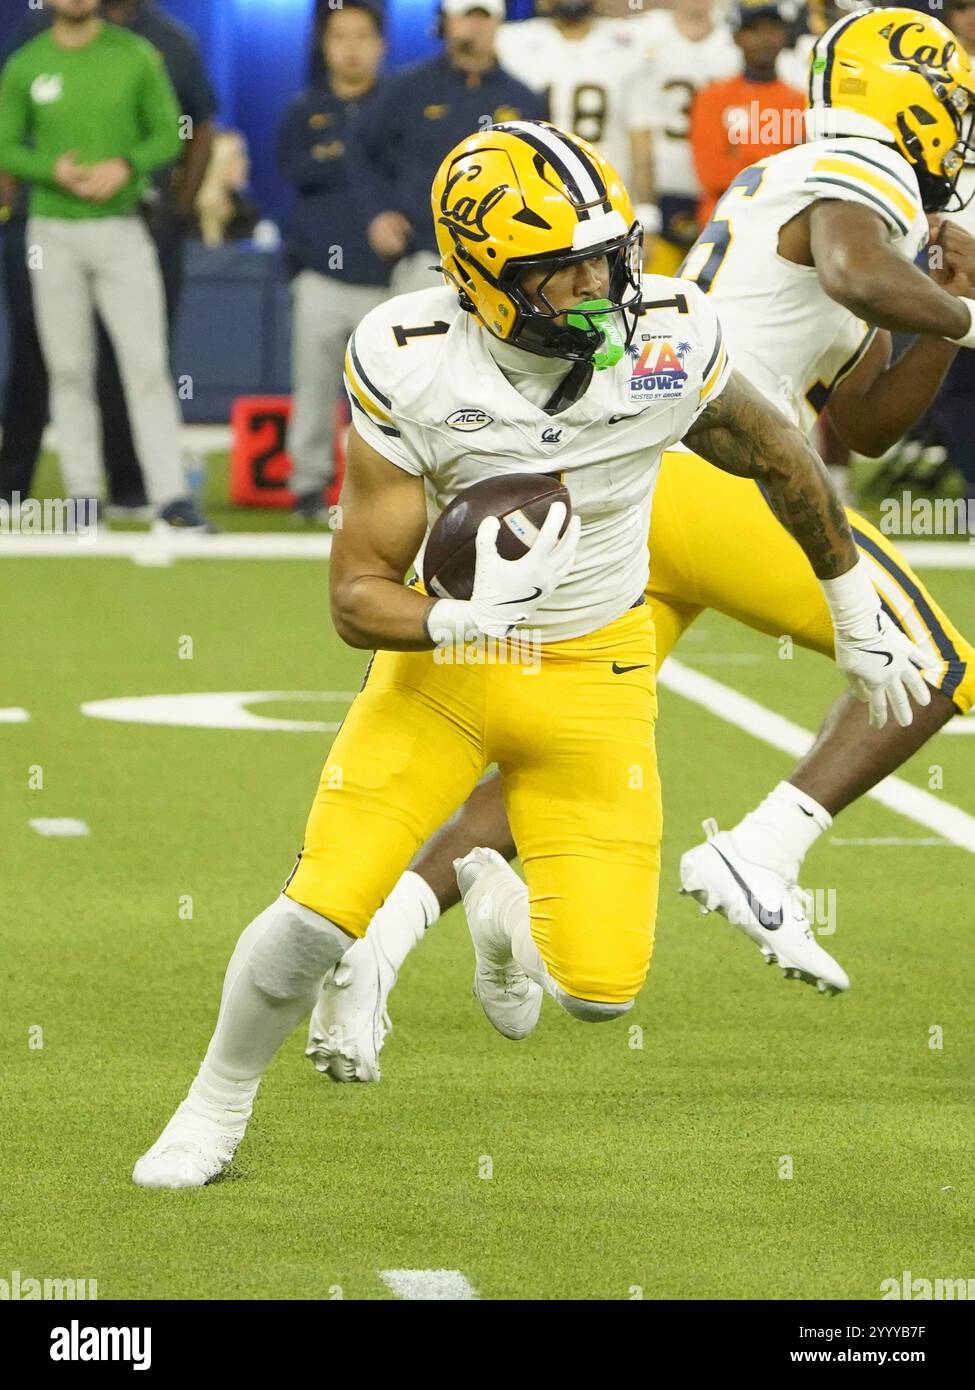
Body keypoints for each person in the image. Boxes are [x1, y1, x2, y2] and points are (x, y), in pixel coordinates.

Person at [131, 115, 922, 1186]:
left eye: (611, 254)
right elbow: (357, 597)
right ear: (488, 281)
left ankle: (493, 898)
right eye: (569, 270)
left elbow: (777, 449)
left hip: (600, 673)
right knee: (320, 914)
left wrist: (850, 597)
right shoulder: (413, 363)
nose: (607, 285)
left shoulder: (667, 337)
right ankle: (214, 1104)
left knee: (603, 992)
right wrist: (459, 619)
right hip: (443, 676)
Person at [305, 10, 975, 1085]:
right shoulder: (866, 159)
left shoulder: (813, 174)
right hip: (714, 465)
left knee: (556, 756)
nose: (959, 128)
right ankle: (763, 849)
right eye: (953, 103)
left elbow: (864, 423)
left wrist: (952, 309)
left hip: (640, 481)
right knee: (940, 664)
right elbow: (853, 275)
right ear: (911, 98)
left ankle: (379, 944)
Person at [0, 0, 217, 522]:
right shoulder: (26, 63)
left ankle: (169, 495)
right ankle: (82, 495)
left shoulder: (138, 56)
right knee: (68, 367)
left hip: (123, 230)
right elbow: (6, 146)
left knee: (146, 364)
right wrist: (52, 169)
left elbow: (171, 133)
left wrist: (126, 166)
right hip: (50, 231)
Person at [278, 0, 390, 521]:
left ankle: (384, 491)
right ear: (324, 46)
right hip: (321, 274)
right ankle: (307, 485)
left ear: (381, 45)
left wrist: (338, 157)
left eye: (361, 36)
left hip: (388, 282)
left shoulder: (397, 107)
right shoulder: (304, 109)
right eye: (339, 36)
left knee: (388, 396)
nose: (350, 48)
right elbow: (294, 168)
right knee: (313, 387)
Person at [357, 0, 546, 297]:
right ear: (445, 22)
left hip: (505, 264)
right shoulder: (406, 89)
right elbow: (359, 149)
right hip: (426, 256)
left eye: (484, 17)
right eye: (465, 16)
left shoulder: (524, 98)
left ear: (499, 23)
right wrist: (377, 212)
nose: (475, 26)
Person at [495, 1, 656, 210]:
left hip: (608, 195)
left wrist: (647, 210)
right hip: (532, 197)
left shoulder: (629, 41)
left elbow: (640, 138)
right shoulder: (510, 40)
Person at [635, 0, 741, 275]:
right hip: (665, 185)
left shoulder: (736, 40)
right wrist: (645, 210)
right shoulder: (646, 34)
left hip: (723, 190)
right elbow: (639, 130)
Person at [690, 0, 804, 226]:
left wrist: (743, 157)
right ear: (736, 37)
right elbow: (712, 175)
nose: (765, 39)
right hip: (723, 222)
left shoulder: (801, 102)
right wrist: (778, 164)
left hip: (782, 225)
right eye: (753, 30)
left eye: (773, 29)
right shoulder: (713, 97)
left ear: (784, 36)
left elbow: (803, 175)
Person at [193, 129, 259, 246]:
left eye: (243, 155)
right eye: (236, 156)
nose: (245, 163)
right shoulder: (190, 211)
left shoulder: (245, 210)